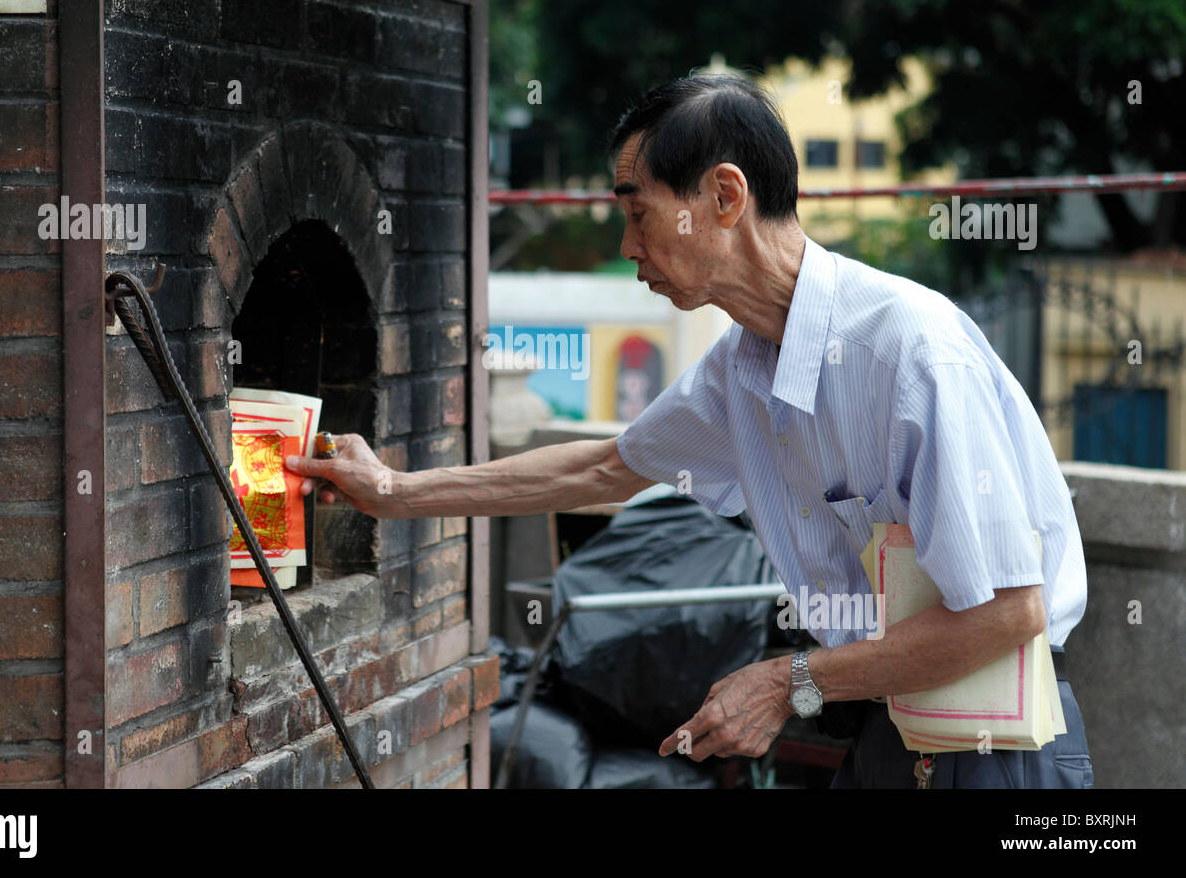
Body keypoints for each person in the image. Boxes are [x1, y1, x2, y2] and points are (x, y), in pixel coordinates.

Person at [285, 72, 1093, 788]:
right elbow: (603, 469)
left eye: (639, 214)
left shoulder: (909, 351)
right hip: (889, 732)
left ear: (726, 197)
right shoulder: (740, 369)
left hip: (997, 749)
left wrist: (789, 682)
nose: (630, 248)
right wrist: (389, 491)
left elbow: (1008, 612)